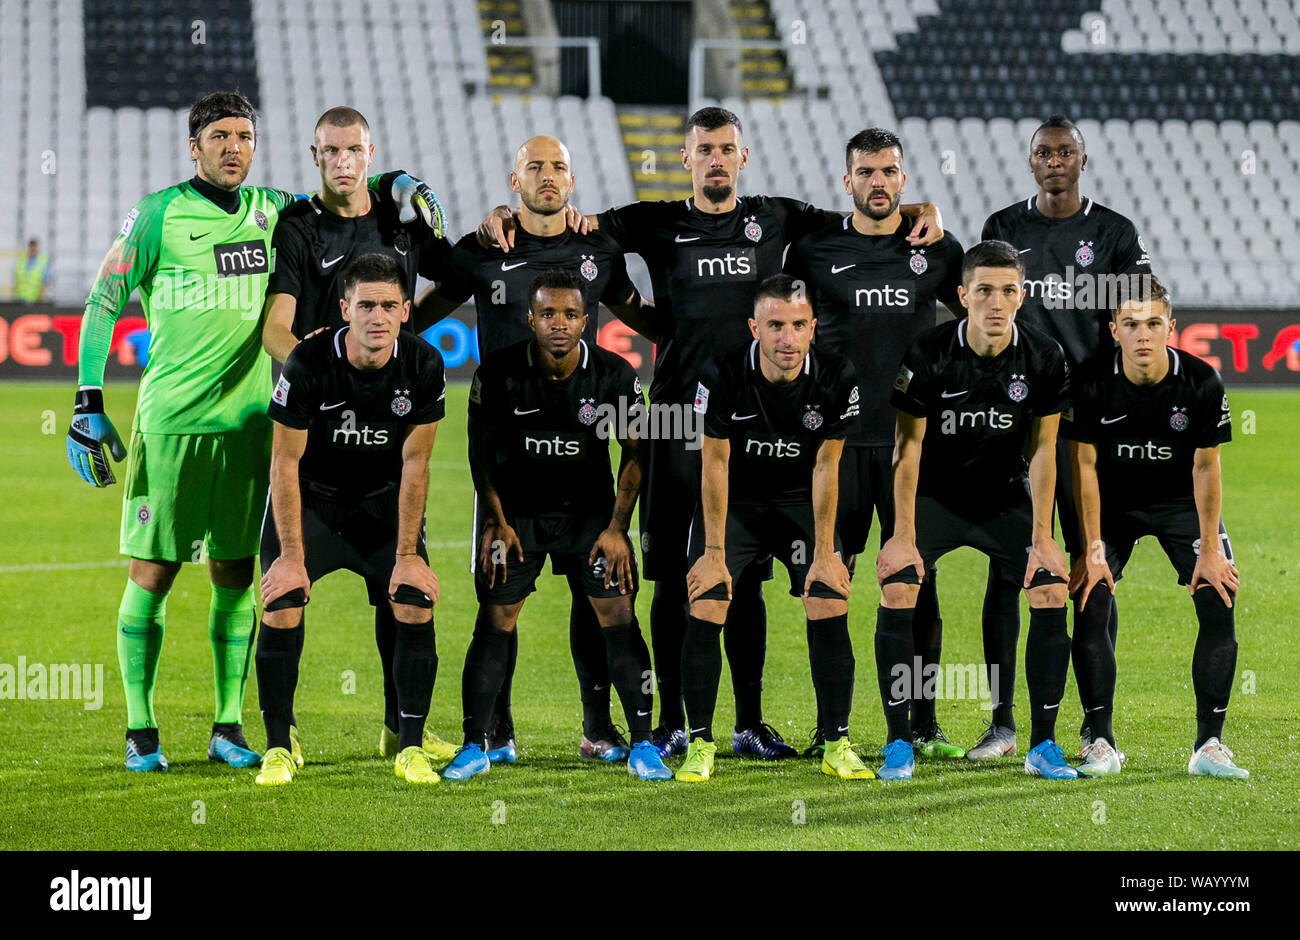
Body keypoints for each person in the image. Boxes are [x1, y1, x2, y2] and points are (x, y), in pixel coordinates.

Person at [481, 107, 944, 761]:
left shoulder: (779, 218)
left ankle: (749, 721)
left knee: (741, 577)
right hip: (676, 424)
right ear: (687, 159)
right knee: (675, 579)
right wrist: (506, 216)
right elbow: (573, 232)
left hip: (752, 427)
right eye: (705, 150)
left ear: (743, 157)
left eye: (727, 148)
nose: (717, 159)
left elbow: (869, 218)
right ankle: (674, 721)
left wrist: (919, 202)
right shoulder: (656, 221)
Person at [63, 90, 441, 772]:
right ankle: (140, 729)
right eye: (219, 137)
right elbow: (104, 298)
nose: (233, 147)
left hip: (247, 427)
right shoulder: (158, 214)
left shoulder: (273, 210)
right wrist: (88, 399)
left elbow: (342, 187)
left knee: (238, 577)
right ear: (194, 146)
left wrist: (398, 183)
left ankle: (229, 727)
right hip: (170, 423)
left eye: (243, 136)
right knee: (151, 573)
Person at [416, 135, 656, 765]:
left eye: (558, 167)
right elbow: (426, 308)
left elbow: (641, 314)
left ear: (572, 179)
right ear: (512, 177)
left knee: (596, 602)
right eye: (535, 167)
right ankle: (495, 735)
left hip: (581, 465)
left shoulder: (598, 247)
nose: (547, 177)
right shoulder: (485, 247)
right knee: (501, 602)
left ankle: (600, 729)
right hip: (506, 460)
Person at [260, 105, 457, 763]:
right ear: (315, 156)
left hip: (384, 430)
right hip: (315, 425)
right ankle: (277, 740)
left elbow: (453, 279)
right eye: (330, 151)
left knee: (402, 589)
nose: (343, 161)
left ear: (371, 153)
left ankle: (401, 729)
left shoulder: (400, 213)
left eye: (354, 150)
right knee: (282, 591)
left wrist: (401, 335)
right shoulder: (299, 228)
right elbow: (274, 330)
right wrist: (320, 370)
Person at [441, 270, 671, 782]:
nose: (559, 324)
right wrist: (495, 523)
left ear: (587, 322)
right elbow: (481, 454)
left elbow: (636, 455)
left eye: (570, 315)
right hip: (517, 517)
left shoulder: (615, 375)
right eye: (548, 314)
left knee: (618, 614)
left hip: (589, 517)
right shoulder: (498, 373)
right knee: (495, 619)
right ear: (530, 319)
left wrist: (617, 528)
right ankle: (475, 744)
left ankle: (642, 744)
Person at [785, 127, 966, 760]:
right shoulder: (812, 250)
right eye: (866, 172)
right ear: (847, 182)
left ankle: (922, 722)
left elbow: (977, 324)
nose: (878, 183)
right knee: (828, 580)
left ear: (904, 180)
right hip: (834, 446)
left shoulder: (938, 252)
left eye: (889, 172)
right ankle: (831, 728)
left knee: (918, 581)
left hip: (911, 445)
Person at [980, 114, 1154, 750]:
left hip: (1085, 429)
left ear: (1084, 160)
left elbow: (1139, 313)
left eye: (1065, 152)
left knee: (1088, 568)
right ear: (1031, 163)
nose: (1055, 161)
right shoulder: (1004, 228)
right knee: (1010, 568)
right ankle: (1002, 722)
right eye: (1044, 153)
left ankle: (1095, 727)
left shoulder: (1113, 233)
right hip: (1012, 422)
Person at [876, 240, 1075, 780]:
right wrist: (901, 532)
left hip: (1004, 497)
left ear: (1022, 295)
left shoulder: (1044, 357)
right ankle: (899, 741)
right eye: (983, 290)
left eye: (1008, 290)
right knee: (898, 582)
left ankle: (1040, 744)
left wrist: (1043, 535)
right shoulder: (928, 352)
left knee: (1050, 583)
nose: (995, 302)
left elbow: (1043, 450)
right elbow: (907, 448)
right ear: (962, 295)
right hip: (935, 497)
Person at [254, 254, 445, 786]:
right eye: (366, 305)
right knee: (281, 602)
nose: (377, 316)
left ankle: (406, 743)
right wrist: (292, 558)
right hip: (311, 501)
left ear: (406, 310)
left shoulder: (425, 366)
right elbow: (283, 463)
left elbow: (416, 463)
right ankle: (278, 743)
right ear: (345, 309)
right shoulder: (308, 363)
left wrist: (407, 557)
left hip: (380, 505)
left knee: (412, 601)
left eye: (389, 305)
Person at [676, 274, 865, 782]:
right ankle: (700, 744)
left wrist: (825, 550)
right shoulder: (720, 374)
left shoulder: (836, 375)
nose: (787, 338)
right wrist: (714, 550)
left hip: (799, 503)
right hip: (735, 504)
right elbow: (713, 464)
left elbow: (828, 467)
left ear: (812, 328)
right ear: (754, 327)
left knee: (828, 594)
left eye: (798, 325)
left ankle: (836, 742)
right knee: (708, 595)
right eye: (775, 325)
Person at [1063, 276, 1245, 778]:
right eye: (1131, 324)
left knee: (1218, 595)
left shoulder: (1202, 382)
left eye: (1152, 323)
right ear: (1113, 329)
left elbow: (1206, 468)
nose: (1142, 334)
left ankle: (1209, 746)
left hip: (1179, 504)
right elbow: (1083, 469)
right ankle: (1100, 741)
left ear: (1171, 327)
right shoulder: (1091, 382)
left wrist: (1209, 549)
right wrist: (1093, 549)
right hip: (1113, 506)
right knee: (1089, 596)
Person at [13, 238, 50, 303]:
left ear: (37, 248)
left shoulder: (43, 261)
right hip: (19, 298)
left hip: (35, 299)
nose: (33, 249)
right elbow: (16, 278)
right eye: (31, 246)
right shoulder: (21, 260)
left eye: (34, 247)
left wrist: (42, 296)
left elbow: (46, 281)